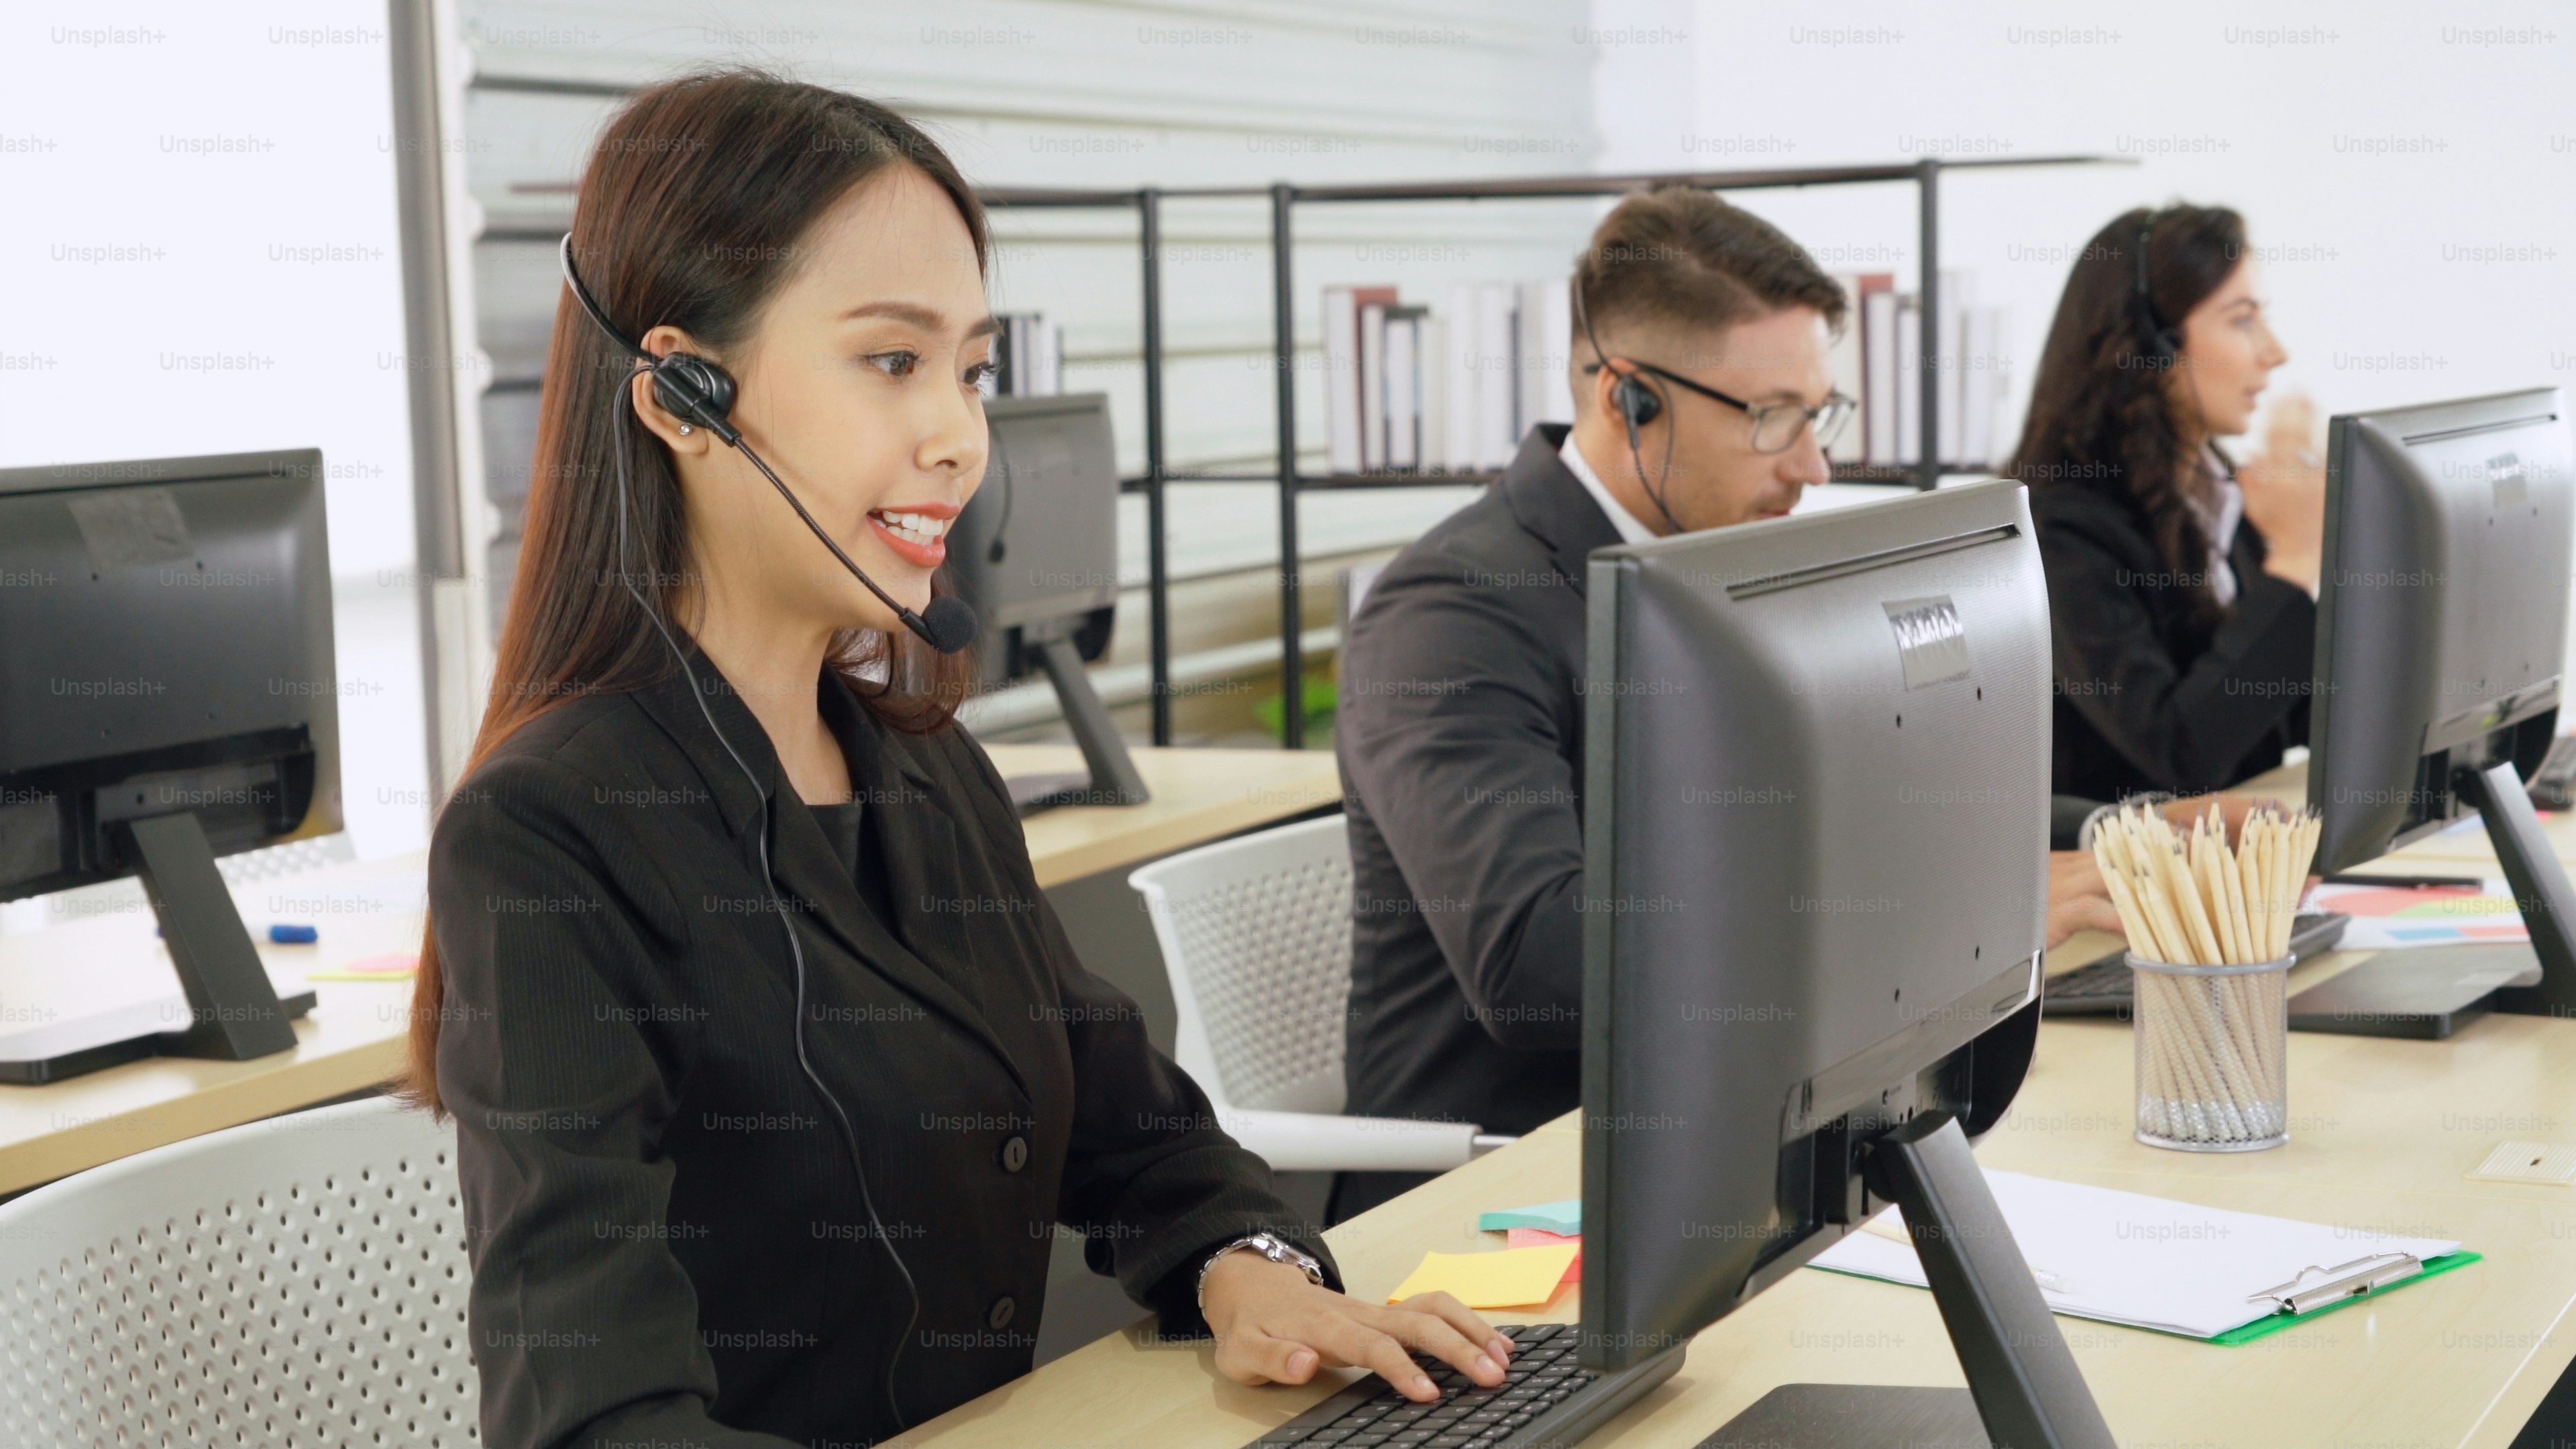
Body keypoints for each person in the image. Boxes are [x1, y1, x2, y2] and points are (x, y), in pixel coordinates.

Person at [405, 70, 1511, 1448]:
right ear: (684, 399)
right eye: (893, 362)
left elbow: (1141, 1138)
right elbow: (598, 1423)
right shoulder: (550, 832)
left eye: (972, 371)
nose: (962, 439)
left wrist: (1257, 1278)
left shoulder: (923, 770)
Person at [1331, 186, 2125, 1225]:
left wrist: (2115, 831)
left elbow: (1868, 794)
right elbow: (1542, 961)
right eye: (1770, 417)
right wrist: (1946, 904)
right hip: (1509, 1191)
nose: (1813, 464)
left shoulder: (1723, 567)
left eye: (1816, 413)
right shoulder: (1453, 616)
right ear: (1628, 400)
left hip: (1743, 1129)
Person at [2009, 203, 2328, 804]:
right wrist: (2294, 560)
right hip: (2129, 859)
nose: (2275, 351)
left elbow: (2289, 712)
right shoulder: (2060, 532)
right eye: (2242, 320)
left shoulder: (2216, 496)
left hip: (2236, 847)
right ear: (2153, 345)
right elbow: (2182, 752)